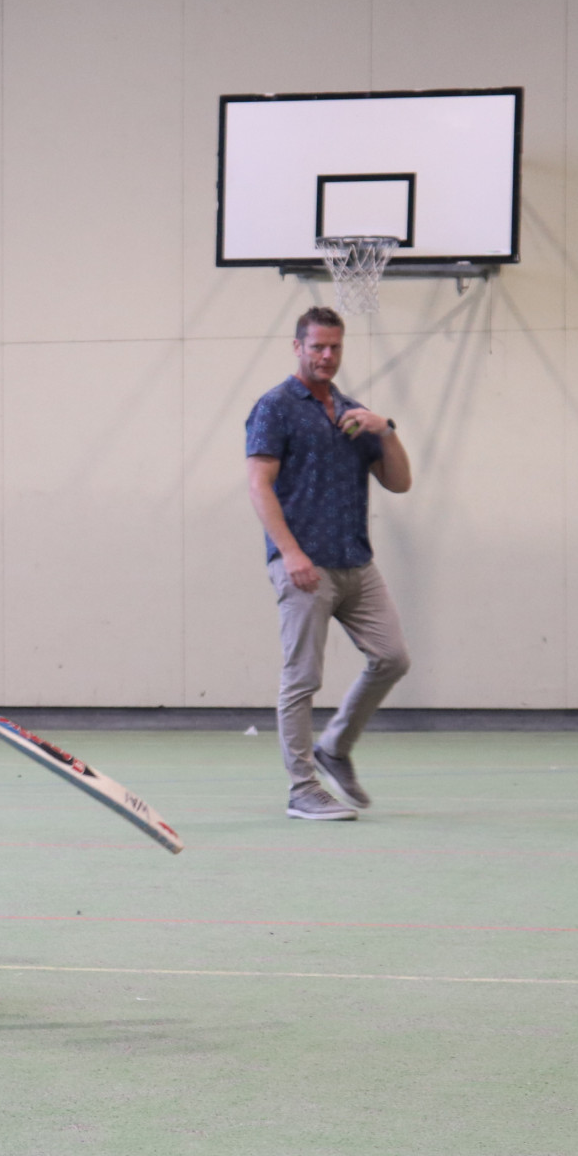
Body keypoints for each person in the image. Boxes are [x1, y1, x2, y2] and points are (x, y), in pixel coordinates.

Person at [244, 305, 413, 821]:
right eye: (316, 346)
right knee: (302, 678)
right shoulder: (275, 407)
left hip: (355, 564)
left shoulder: (352, 412)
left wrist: (386, 429)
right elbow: (259, 485)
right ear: (297, 347)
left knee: (392, 657)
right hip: (304, 567)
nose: (326, 355)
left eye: (334, 347)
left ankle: (334, 747)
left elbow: (400, 481)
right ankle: (302, 788)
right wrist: (290, 553)